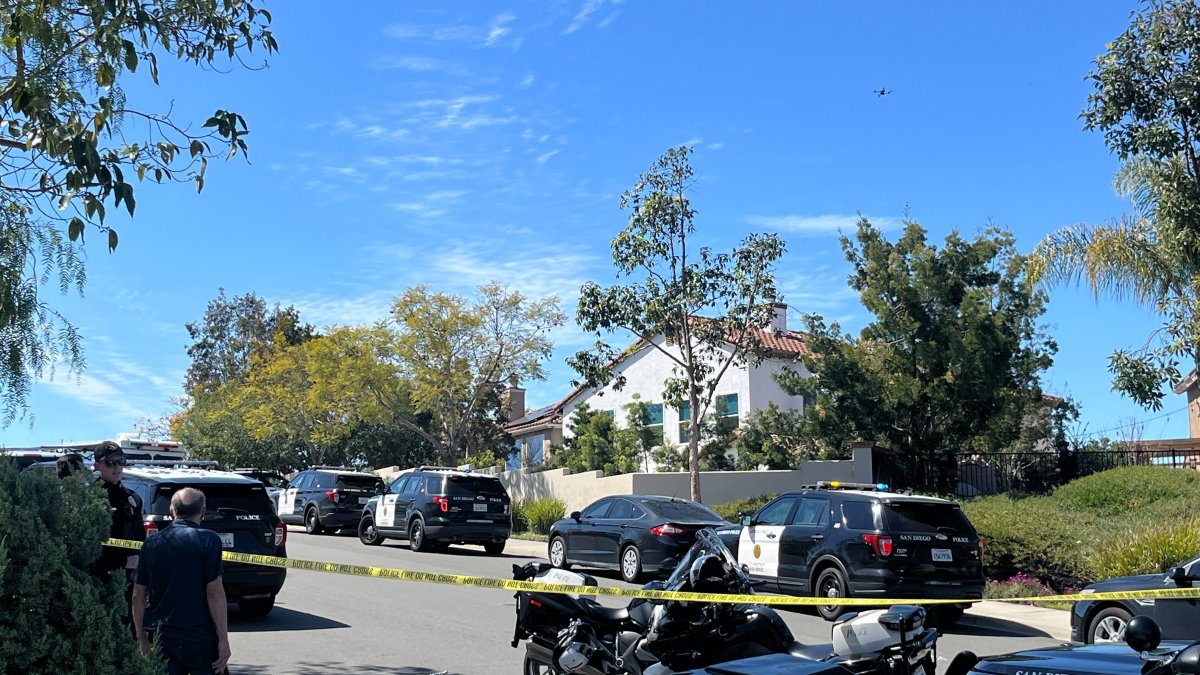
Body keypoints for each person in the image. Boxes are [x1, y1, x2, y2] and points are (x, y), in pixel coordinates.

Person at [132, 487, 231, 674]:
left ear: (171, 511)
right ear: (202, 512)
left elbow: (138, 595)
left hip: (162, 636)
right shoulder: (209, 540)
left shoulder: (151, 543)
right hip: (200, 636)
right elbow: (214, 591)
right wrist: (223, 640)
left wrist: (141, 637)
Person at [91, 440, 144, 629]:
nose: (117, 468)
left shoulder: (133, 499)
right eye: (110, 463)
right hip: (100, 579)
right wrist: (120, 562)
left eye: (121, 462)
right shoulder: (90, 497)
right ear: (97, 465)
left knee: (130, 631)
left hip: (130, 581)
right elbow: (87, 547)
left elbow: (140, 539)